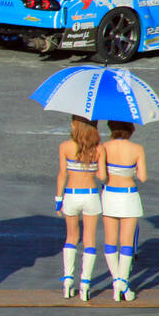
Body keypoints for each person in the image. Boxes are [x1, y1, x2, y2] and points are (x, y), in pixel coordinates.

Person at [96, 121, 146, 302]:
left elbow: (101, 176)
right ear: (130, 129)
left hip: (109, 194)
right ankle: (122, 283)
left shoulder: (104, 147)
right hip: (129, 195)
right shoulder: (137, 148)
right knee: (126, 242)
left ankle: (117, 281)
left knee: (110, 241)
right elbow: (142, 177)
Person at [56, 116, 101, 302]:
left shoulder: (65, 146)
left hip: (71, 195)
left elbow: (62, 174)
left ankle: (68, 281)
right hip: (91, 195)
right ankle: (85, 284)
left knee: (71, 237)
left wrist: (58, 199)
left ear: (75, 125)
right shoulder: (99, 149)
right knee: (89, 239)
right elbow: (102, 175)